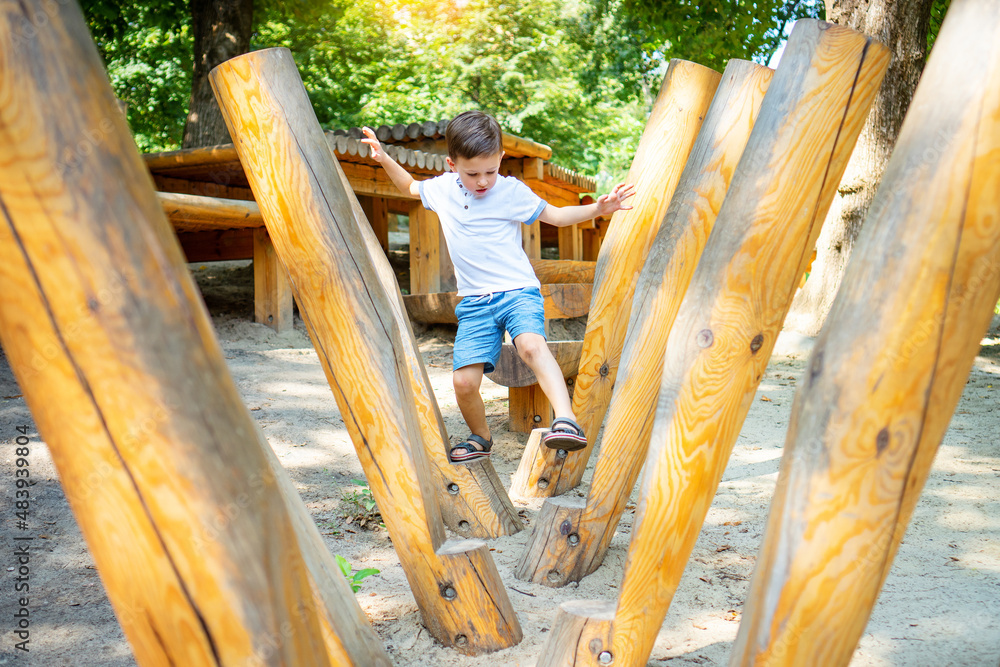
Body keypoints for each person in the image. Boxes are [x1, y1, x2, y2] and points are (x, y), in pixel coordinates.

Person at [361, 111, 634, 462]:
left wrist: (599, 208)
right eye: (472, 173)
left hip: (518, 291)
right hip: (474, 302)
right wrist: (384, 158)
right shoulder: (443, 189)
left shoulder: (510, 192)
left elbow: (556, 216)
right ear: (452, 164)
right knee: (463, 383)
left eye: (490, 171)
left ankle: (566, 421)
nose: (482, 181)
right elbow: (409, 187)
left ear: (500, 159)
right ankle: (481, 437)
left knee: (531, 347)